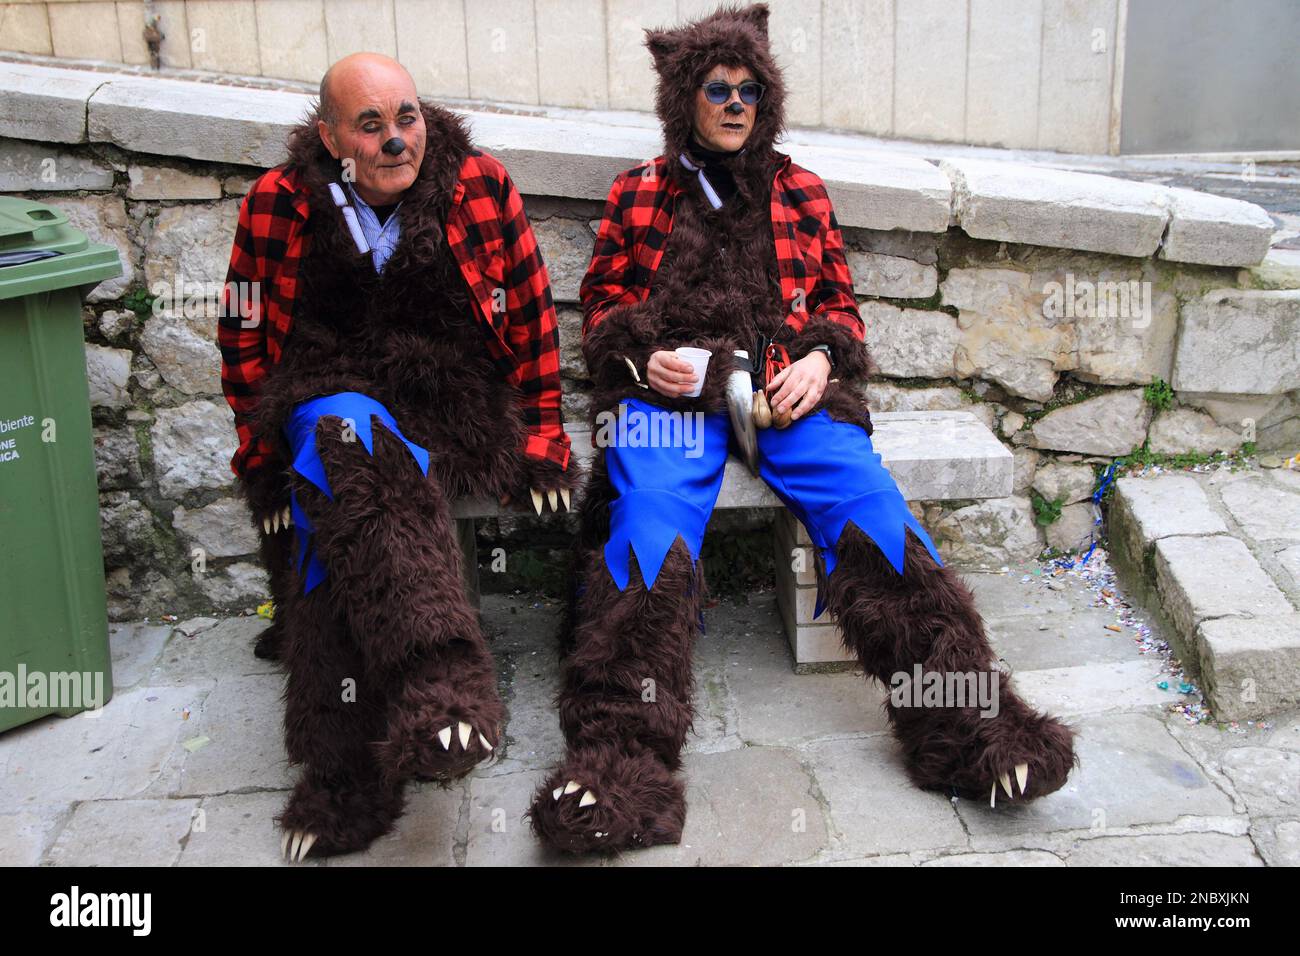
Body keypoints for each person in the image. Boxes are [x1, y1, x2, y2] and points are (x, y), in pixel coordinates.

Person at [528, 3, 1076, 854]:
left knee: (875, 519)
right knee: (647, 535)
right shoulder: (642, 190)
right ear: (686, 96)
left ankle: (970, 729)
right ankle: (616, 763)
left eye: (751, 89)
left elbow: (841, 310)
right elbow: (602, 308)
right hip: (677, 403)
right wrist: (646, 358)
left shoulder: (800, 190)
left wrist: (822, 357)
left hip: (789, 394)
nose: (736, 103)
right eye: (718, 88)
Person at [217, 53, 576, 860]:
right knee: (341, 448)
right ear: (329, 136)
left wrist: (546, 438)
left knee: (342, 481)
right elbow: (242, 336)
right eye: (369, 125)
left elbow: (530, 314)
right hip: (331, 396)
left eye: (405, 118)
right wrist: (258, 456)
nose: (393, 141)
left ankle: (355, 766)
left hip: (449, 403)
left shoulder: (479, 183)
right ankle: (425, 701)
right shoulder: (278, 204)